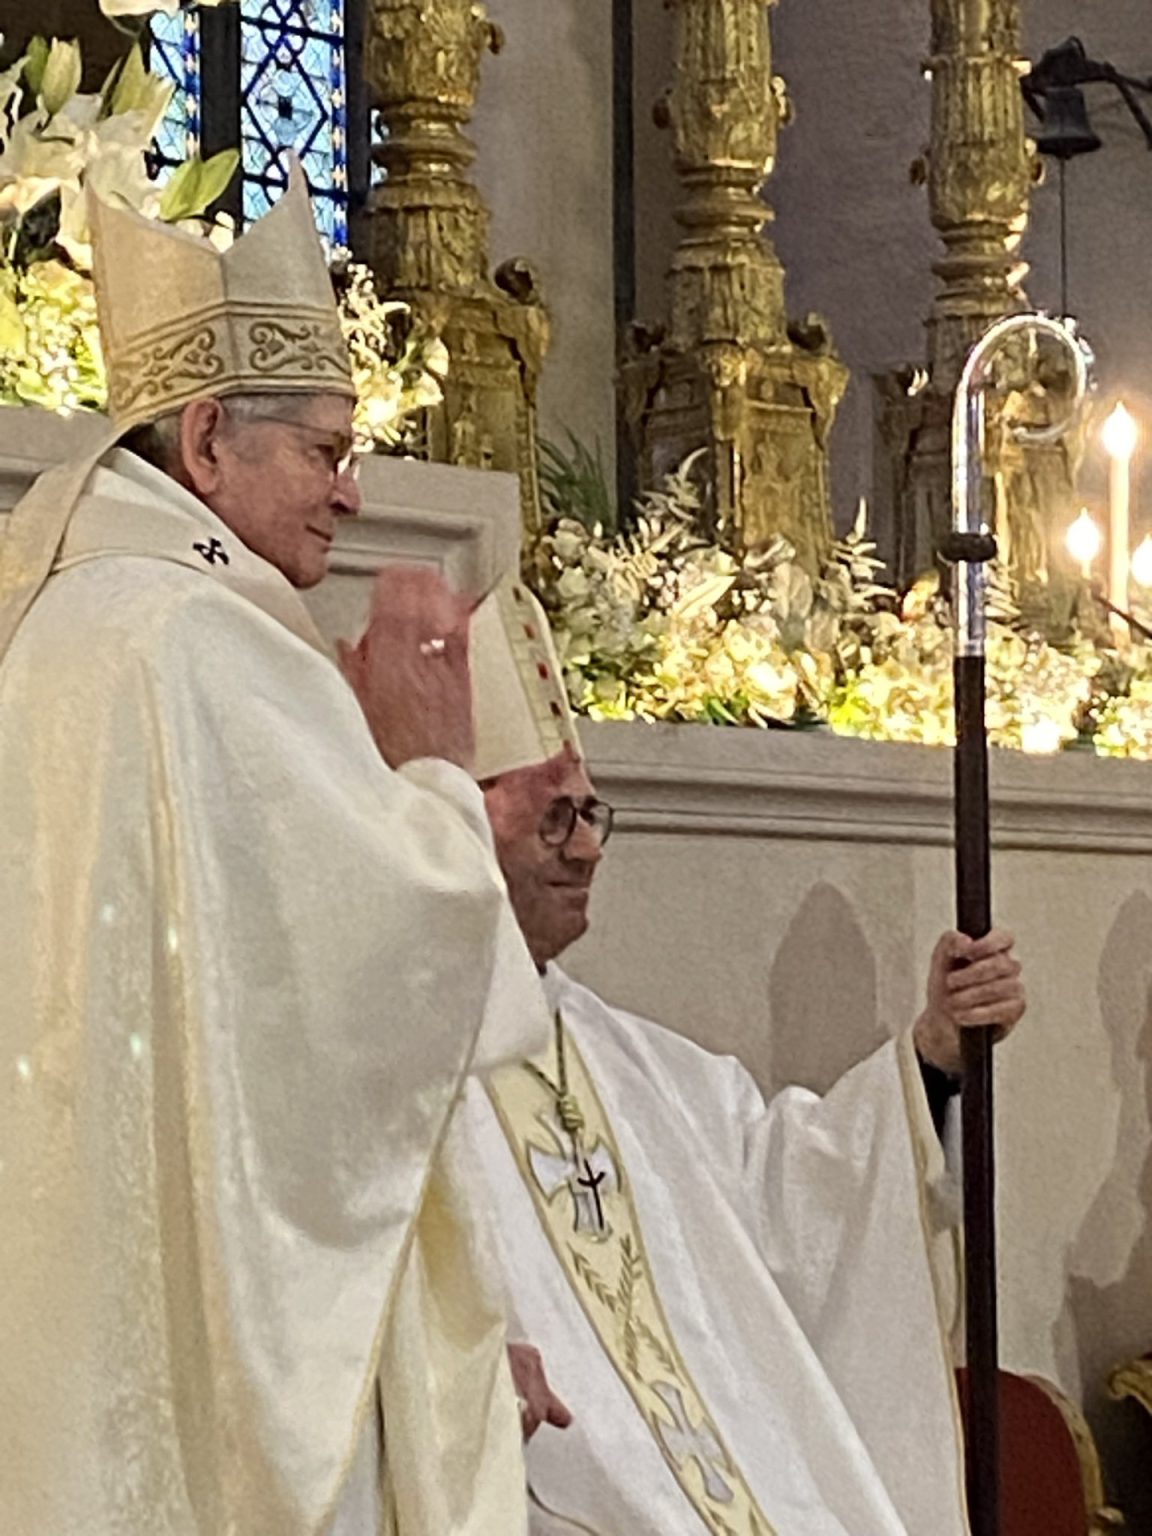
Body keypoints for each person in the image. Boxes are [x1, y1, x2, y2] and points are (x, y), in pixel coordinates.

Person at [0, 168, 547, 1535]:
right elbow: (396, 990)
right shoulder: (204, 642)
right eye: (324, 449)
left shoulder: (66, 627)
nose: (352, 494)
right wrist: (426, 766)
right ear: (203, 445)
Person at [461, 578, 1027, 1535]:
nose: (587, 849)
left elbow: (792, 1194)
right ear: (455, 827)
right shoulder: (409, 1070)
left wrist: (934, 1050)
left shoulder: (626, 1058)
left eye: (593, 813)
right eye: (554, 817)